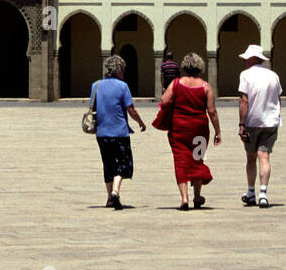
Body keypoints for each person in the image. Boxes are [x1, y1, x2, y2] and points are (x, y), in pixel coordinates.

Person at [158, 52, 220, 208]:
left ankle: (184, 198)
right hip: (199, 128)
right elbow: (212, 111)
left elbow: (164, 101)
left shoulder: (177, 83)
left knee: (180, 161)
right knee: (197, 159)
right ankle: (197, 197)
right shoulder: (206, 86)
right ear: (200, 66)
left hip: (178, 127)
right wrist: (218, 131)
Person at [89, 54, 146, 208]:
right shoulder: (123, 86)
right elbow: (131, 110)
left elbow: (93, 108)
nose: (124, 73)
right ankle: (115, 191)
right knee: (122, 163)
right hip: (120, 133)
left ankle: (109, 198)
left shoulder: (96, 86)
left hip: (102, 133)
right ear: (118, 70)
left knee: (107, 164)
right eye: (122, 70)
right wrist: (140, 122)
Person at [238, 43, 282, 208]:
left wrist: (242, 125)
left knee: (251, 157)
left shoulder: (245, 75)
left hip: (251, 123)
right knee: (264, 157)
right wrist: (276, 116)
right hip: (270, 123)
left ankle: (251, 192)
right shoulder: (273, 75)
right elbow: (279, 99)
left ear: (251, 59)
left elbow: (244, 100)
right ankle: (263, 194)